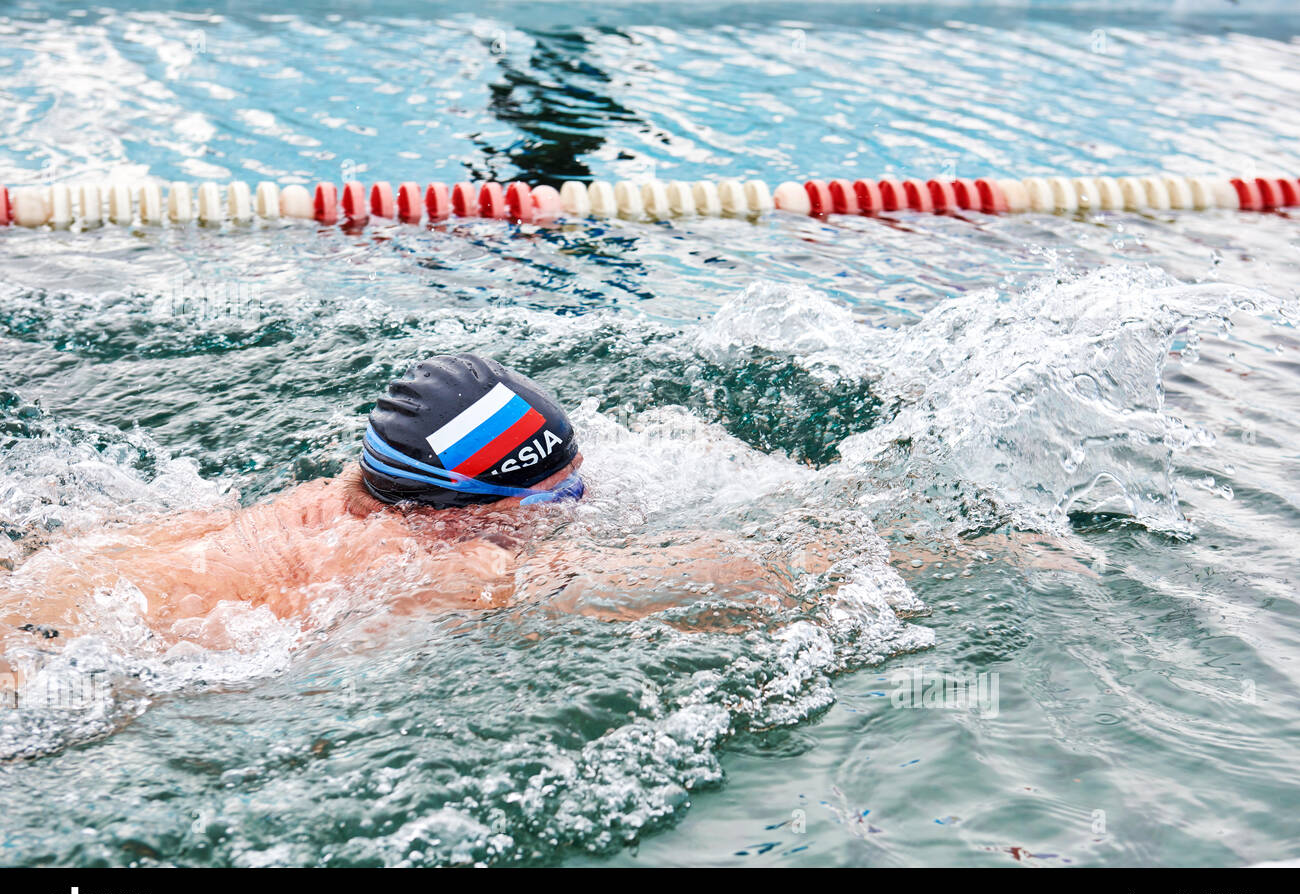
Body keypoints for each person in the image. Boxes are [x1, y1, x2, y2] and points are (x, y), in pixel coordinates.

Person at [0, 354, 789, 684]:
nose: (574, 512)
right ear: (456, 515)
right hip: (58, 676)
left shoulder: (342, 497)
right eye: (558, 500)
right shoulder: (439, 562)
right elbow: (749, 580)